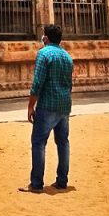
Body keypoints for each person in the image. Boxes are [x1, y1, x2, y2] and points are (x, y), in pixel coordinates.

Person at [20, 24, 73, 193]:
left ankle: (36, 184)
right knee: (63, 143)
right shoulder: (67, 56)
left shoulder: (44, 54)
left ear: (46, 38)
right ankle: (62, 181)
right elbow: (69, 84)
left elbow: (37, 83)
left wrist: (30, 106)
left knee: (39, 143)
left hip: (47, 105)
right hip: (64, 105)